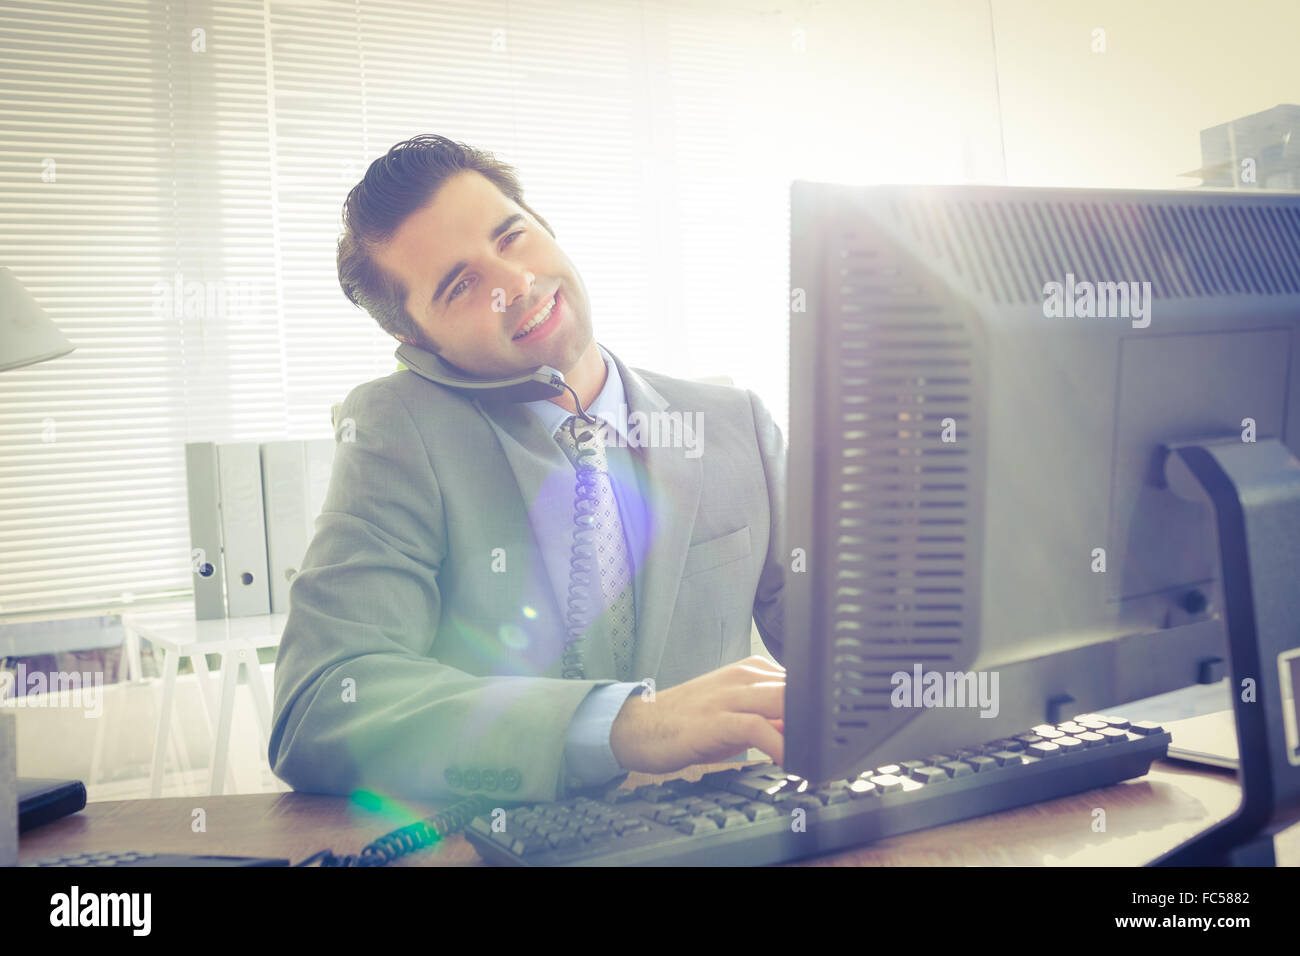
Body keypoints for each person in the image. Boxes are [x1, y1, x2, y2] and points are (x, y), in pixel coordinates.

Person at [268, 134, 787, 805]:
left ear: (546, 226)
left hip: (729, 844)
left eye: (512, 238)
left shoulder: (734, 421)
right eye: (461, 286)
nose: (514, 285)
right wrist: (626, 724)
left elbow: (860, 657)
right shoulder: (398, 430)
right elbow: (320, 704)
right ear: (417, 341)